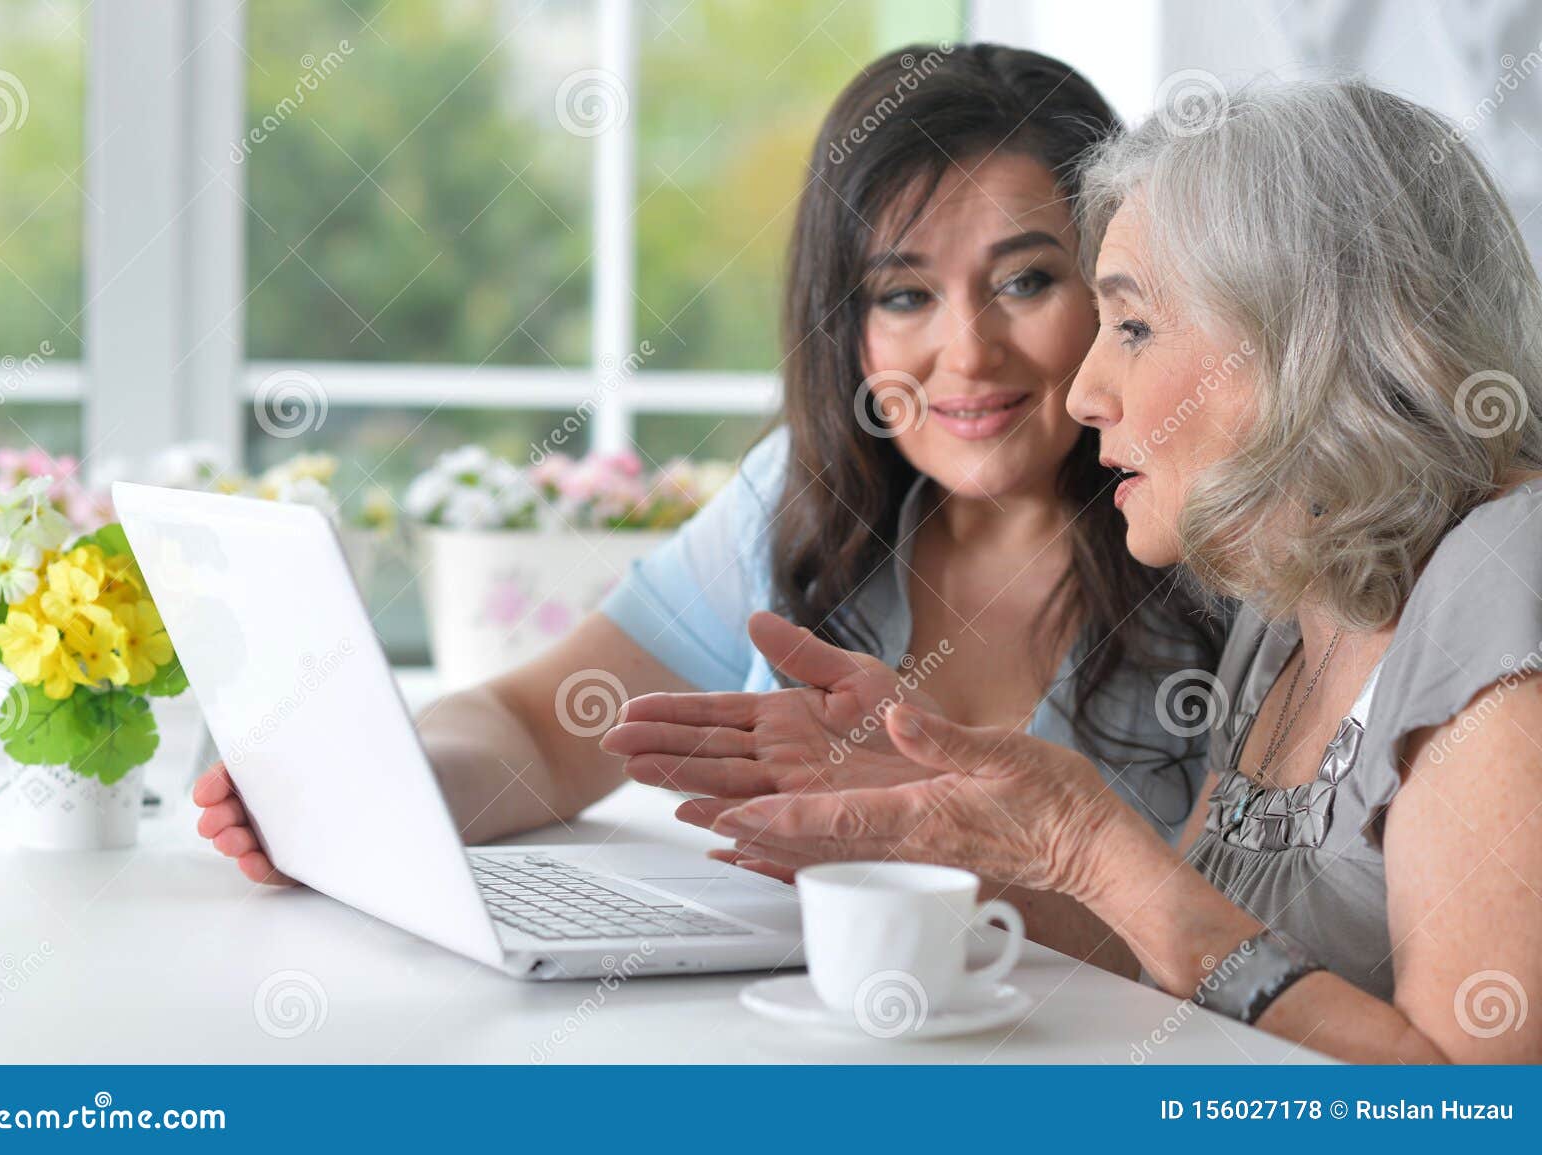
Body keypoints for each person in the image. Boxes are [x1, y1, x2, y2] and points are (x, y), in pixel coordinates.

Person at [192, 44, 1222, 966]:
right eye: (904, 295)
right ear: (847, 321)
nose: (967, 354)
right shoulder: (803, 501)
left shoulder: (1214, 541)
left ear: (1116, 290)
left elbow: (1241, 953)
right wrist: (379, 796)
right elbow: (532, 727)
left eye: (1026, 281)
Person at [608, 80, 1542, 1063]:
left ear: (1309, 333)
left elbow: (1472, 1109)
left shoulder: (1502, 578)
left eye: (1132, 327)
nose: (1087, 391)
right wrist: (966, 831)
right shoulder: (1294, 602)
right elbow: (1189, 963)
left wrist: (1094, 846)